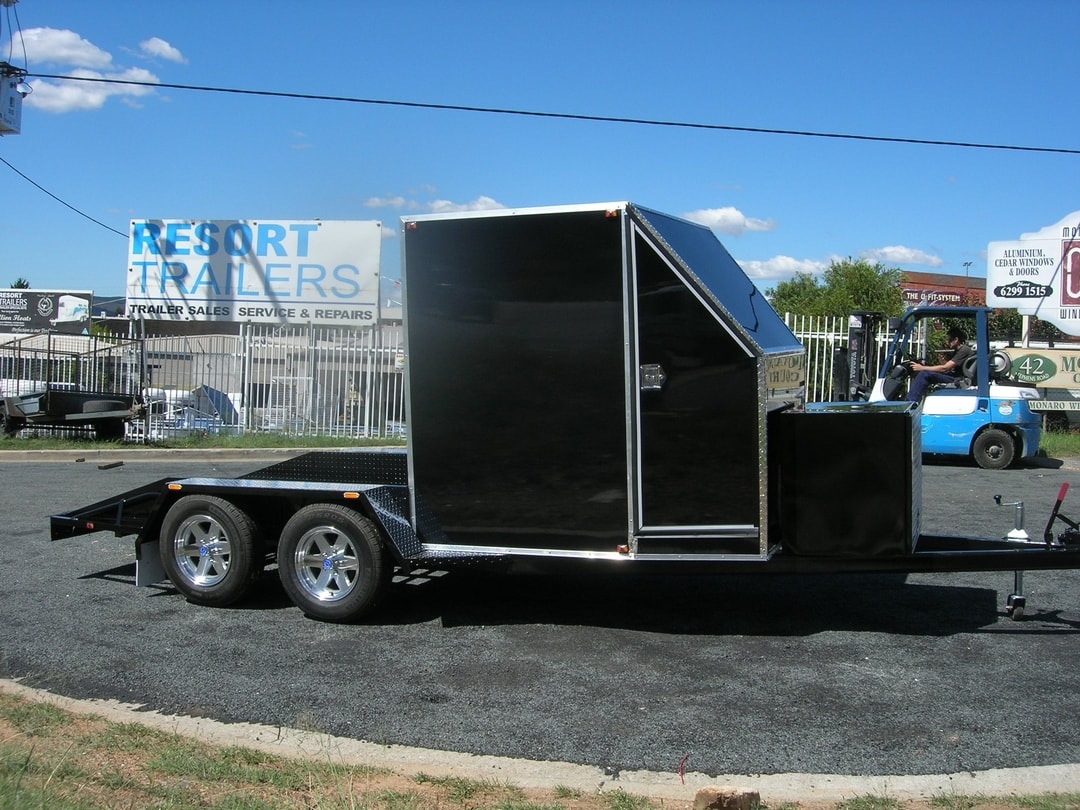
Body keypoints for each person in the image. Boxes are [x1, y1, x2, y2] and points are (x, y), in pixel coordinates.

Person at [904, 326, 974, 402]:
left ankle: (910, 402)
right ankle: (916, 401)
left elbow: (945, 368)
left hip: (958, 379)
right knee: (926, 373)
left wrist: (922, 368)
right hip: (954, 376)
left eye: (949, 340)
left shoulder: (964, 350)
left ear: (956, 340)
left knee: (924, 374)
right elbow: (947, 368)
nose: (947, 342)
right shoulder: (957, 351)